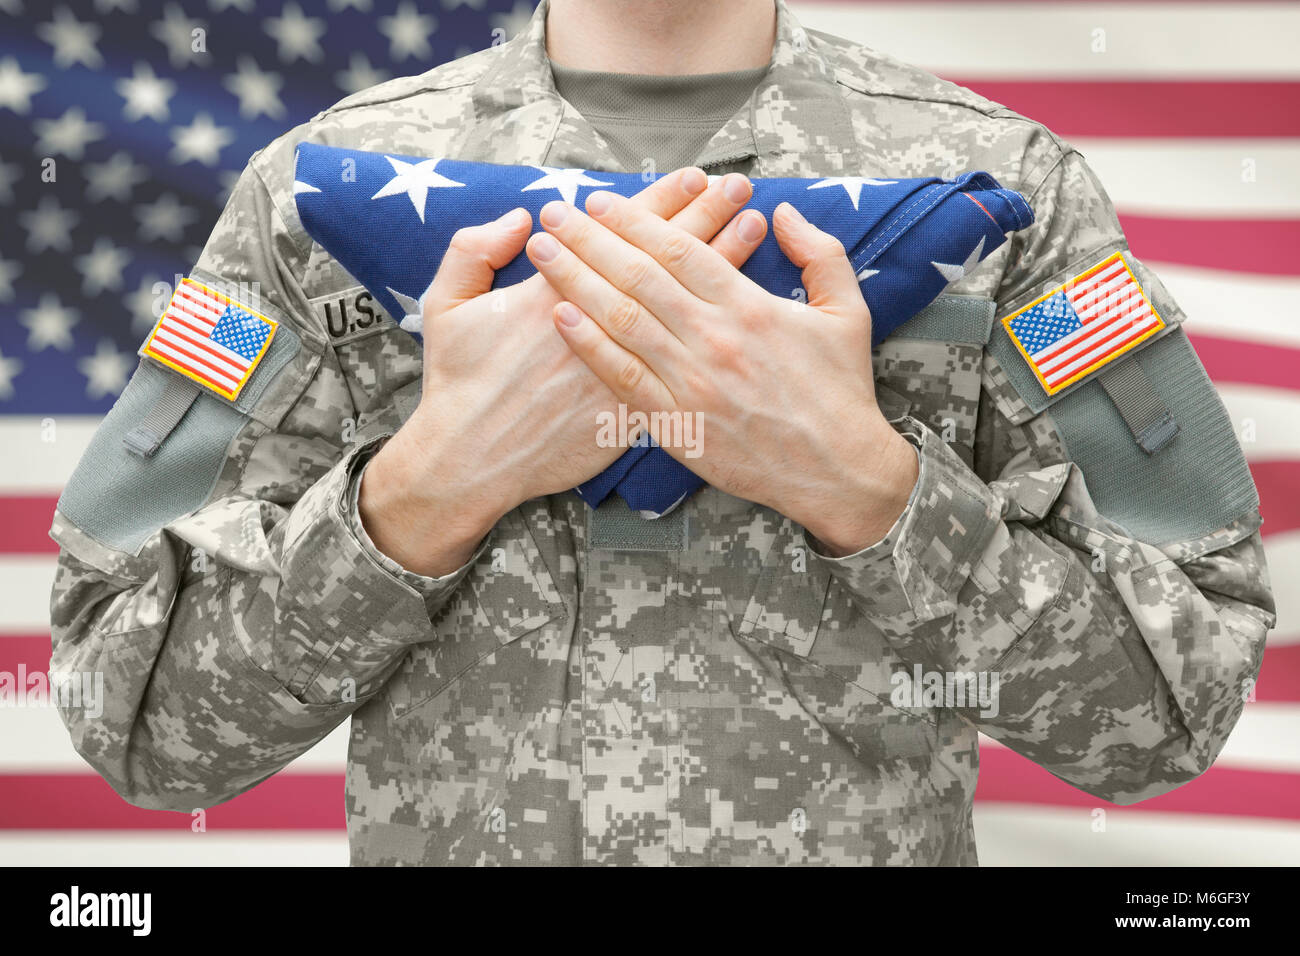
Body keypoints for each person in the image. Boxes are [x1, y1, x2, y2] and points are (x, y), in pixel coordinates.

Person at [49, 0, 1274, 865]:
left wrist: (865, 481)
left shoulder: (998, 190)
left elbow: (1177, 705)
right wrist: (426, 487)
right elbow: (132, 716)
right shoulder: (318, 195)